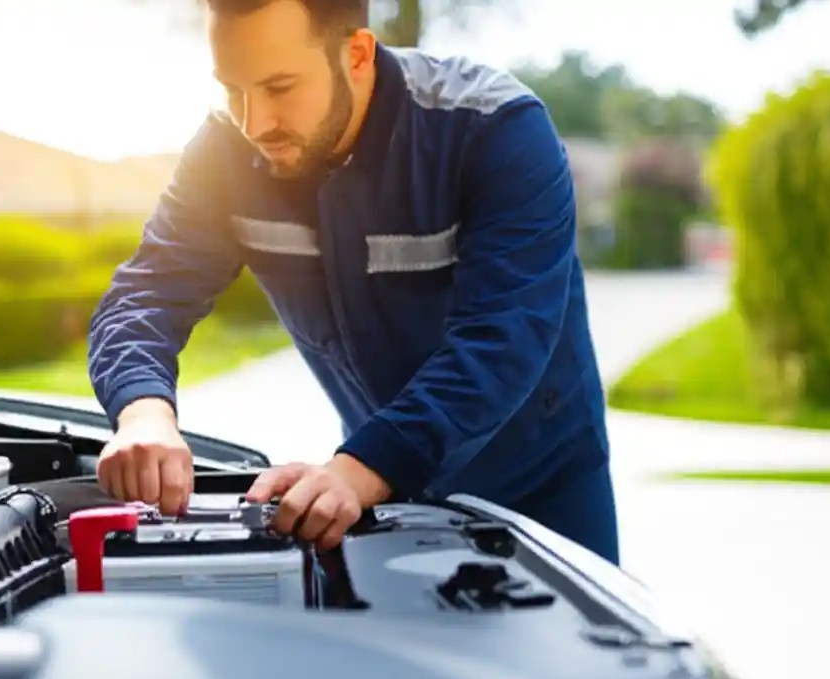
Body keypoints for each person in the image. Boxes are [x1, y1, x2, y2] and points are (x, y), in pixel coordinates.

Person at [86, 0, 620, 564]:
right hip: (380, 485)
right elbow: (145, 293)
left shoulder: (495, 129)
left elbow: (503, 336)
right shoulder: (224, 153)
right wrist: (143, 411)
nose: (253, 122)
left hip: (544, 490)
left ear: (358, 54)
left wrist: (360, 470)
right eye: (232, 89)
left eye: (280, 86)